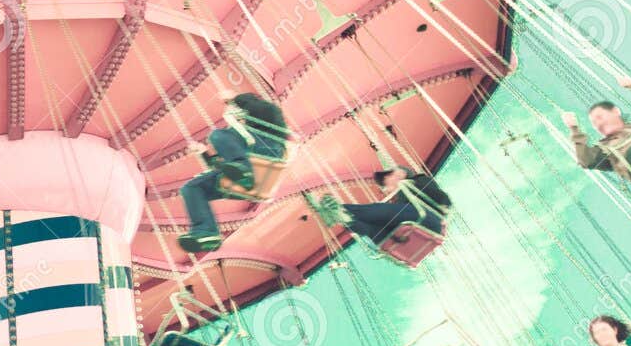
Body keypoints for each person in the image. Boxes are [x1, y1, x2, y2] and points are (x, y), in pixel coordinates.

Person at [177, 90, 290, 253]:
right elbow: (222, 167)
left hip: (267, 151)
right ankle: (206, 231)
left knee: (217, 135)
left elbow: (260, 109)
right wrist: (203, 153)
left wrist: (236, 99)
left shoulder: (269, 113)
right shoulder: (241, 139)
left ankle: (244, 170)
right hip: (246, 168)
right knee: (191, 188)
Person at [313, 166, 451, 247]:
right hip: (408, 232)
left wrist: (444, 204)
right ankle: (345, 218)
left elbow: (438, 195)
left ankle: (340, 209)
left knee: (380, 211)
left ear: (399, 174)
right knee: (373, 229)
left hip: (427, 217)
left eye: (386, 183)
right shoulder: (400, 201)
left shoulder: (416, 181)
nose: (385, 189)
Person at [562, 84, 631, 193]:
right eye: (594, 123)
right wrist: (574, 129)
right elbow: (586, 160)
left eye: (600, 117)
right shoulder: (605, 150)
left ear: (615, 111)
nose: (599, 124)